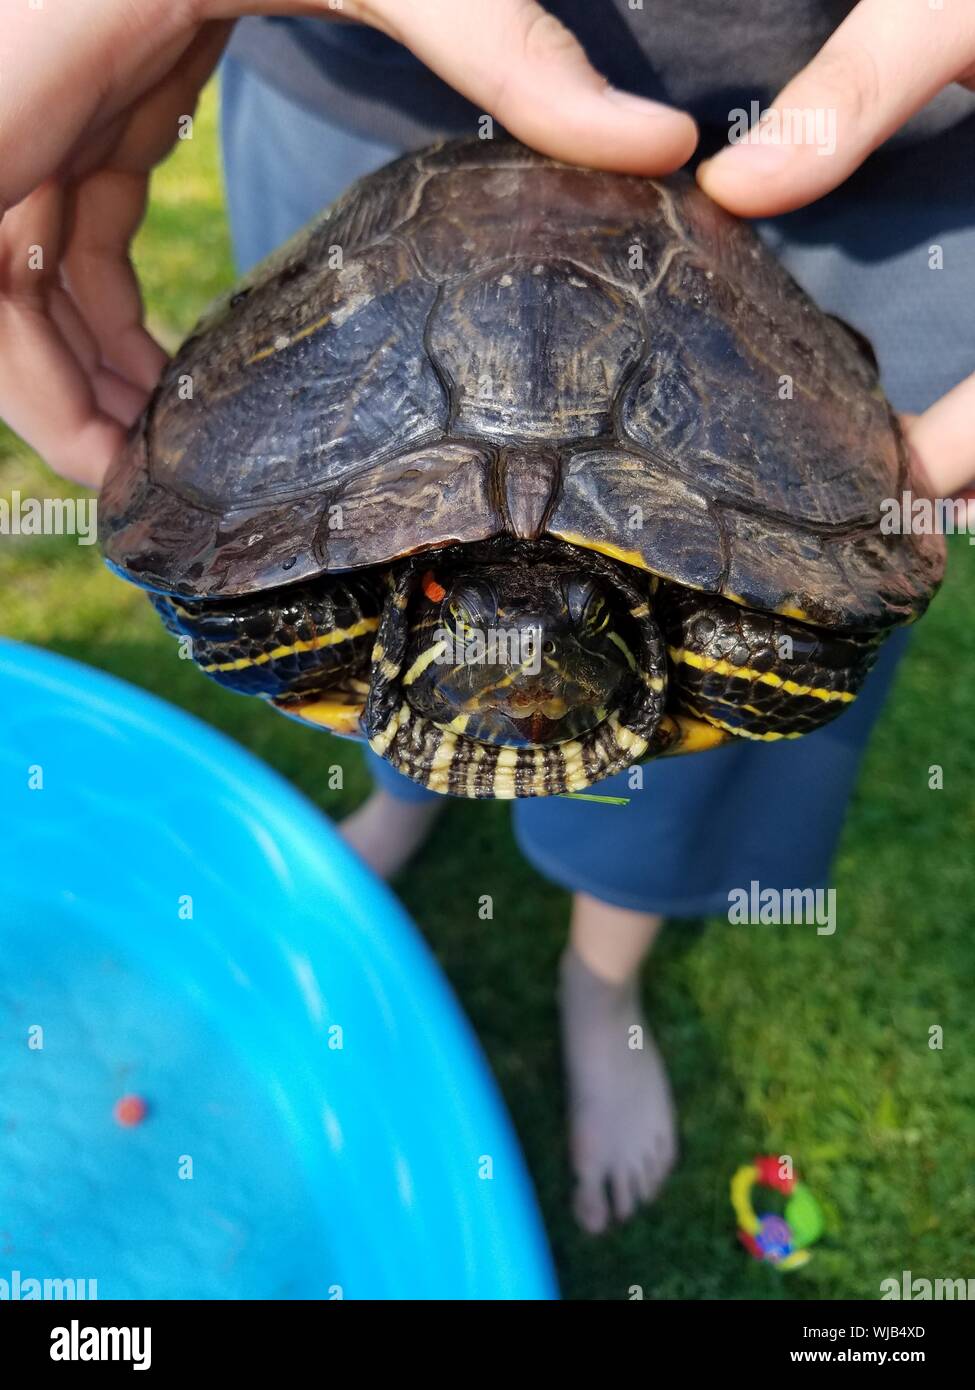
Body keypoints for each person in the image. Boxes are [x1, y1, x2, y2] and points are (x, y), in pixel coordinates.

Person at [1, 0, 973, 1235]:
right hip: (362, 92)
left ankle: (599, 974)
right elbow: (229, 583)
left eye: (575, 615)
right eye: (464, 613)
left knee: (732, 711)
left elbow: (824, 623)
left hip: (867, 165)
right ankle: (400, 805)